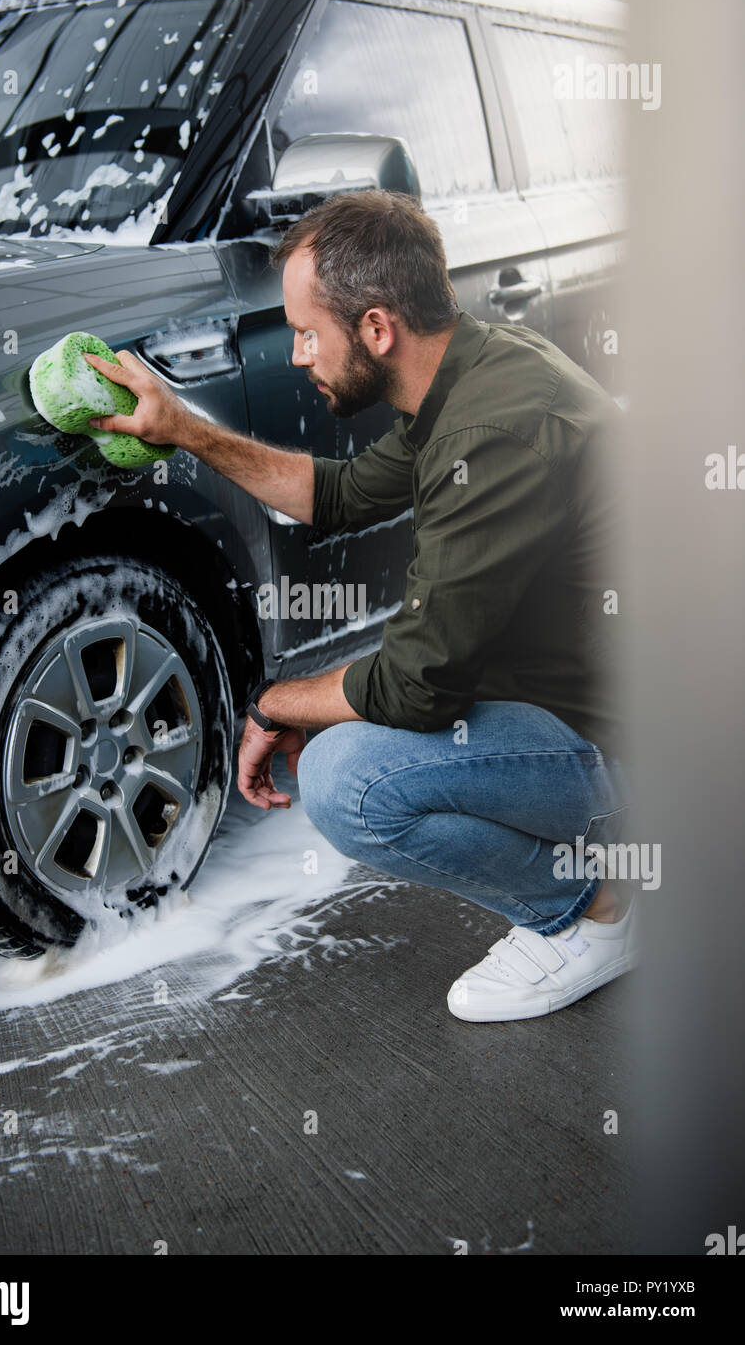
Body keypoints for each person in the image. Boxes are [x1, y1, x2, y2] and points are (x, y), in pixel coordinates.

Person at [83, 189, 636, 1023]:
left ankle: (597, 911)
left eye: (308, 333)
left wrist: (273, 703)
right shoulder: (472, 368)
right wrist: (183, 428)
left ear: (376, 329)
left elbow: (417, 684)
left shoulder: (488, 435)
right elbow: (332, 496)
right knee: (342, 736)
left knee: (347, 779)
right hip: (575, 693)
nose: (299, 355)